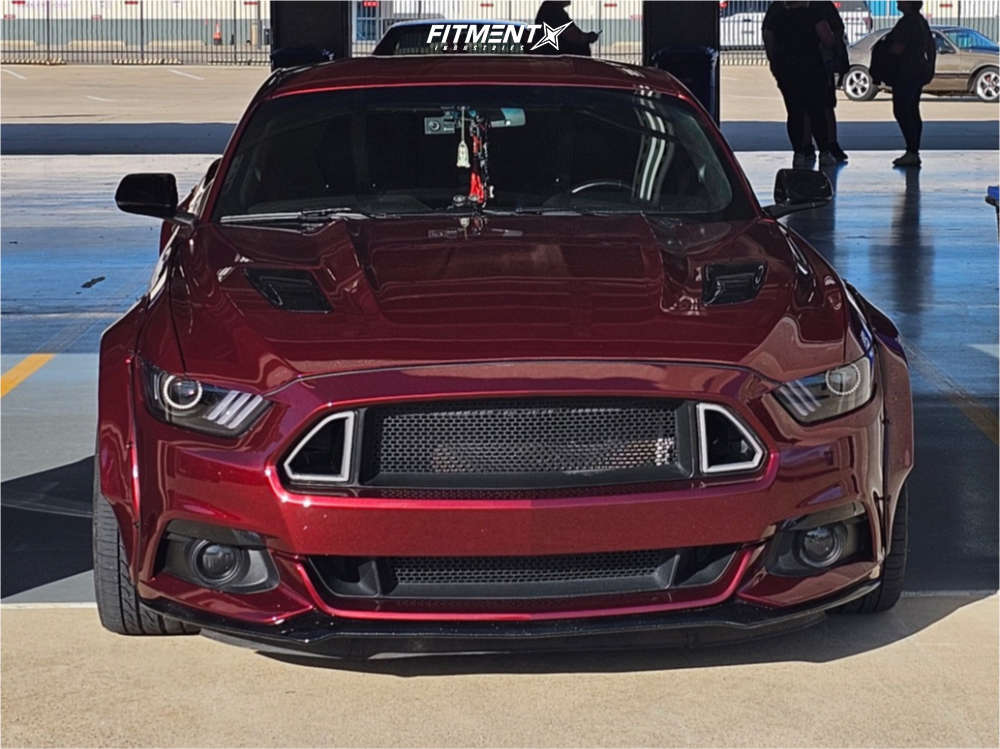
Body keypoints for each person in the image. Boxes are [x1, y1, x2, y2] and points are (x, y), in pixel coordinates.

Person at [762, 1, 838, 168]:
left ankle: (799, 152)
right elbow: (828, 39)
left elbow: (769, 40)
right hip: (812, 69)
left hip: (787, 71)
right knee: (816, 111)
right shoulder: (813, 15)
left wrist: (775, 62)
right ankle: (824, 152)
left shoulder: (777, 17)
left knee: (794, 112)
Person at [887, 0, 936, 167]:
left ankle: (911, 151)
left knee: (902, 110)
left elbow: (897, 48)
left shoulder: (907, 22)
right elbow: (931, 46)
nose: (897, 1)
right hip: (917, 72)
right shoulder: (921, 21)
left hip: (905, 73)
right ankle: (913, 150)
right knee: (912, 110)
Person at [814, 0, 850, 162]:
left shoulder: (785, 9)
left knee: (803, 109)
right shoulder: (824, 7)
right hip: (822, 65)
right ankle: (829, 145)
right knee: (826, 107)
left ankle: (805, 148)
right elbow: (836, 33)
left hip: (811, 65)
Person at [531, 1, 599, 57]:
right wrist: (588, 37)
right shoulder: (555, 10)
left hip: (548, 52)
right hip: (560, 56)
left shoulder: (548, 7)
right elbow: (573, 36)